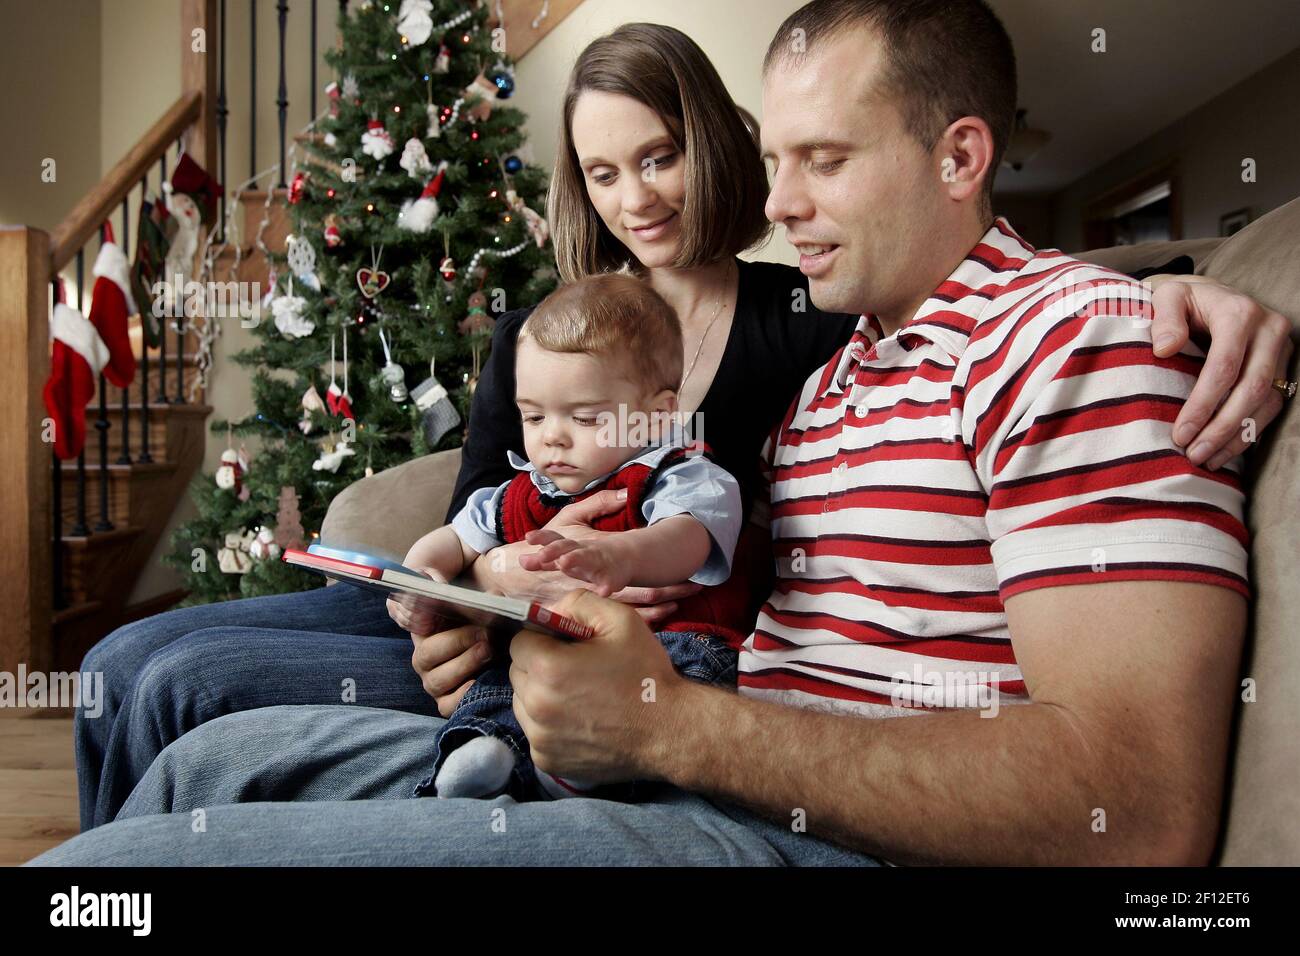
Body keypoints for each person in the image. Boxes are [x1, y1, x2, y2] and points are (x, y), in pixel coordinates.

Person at [44, 9, 1294, 863]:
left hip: (763, 802)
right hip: (674, 742)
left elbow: (1133, 807)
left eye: (823, 160)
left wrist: (666, 724)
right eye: (774, 156)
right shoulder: (846, 362)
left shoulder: (1081, 337)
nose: (781, 202)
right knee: (190, 765)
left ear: (960, 154)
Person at [403, 274, 746, 800]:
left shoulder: (677, 473)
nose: (552, 436)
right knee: (507, 679)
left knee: (689, 674)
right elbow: (454, 539)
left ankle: (597, 766)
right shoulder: (519, 492)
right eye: (533, 416)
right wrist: (419, 575)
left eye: (584, 417)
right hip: (552, 660)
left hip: (666, 650)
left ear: (655, 415)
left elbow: (689, 537)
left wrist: (621, 554)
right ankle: (485, 750)